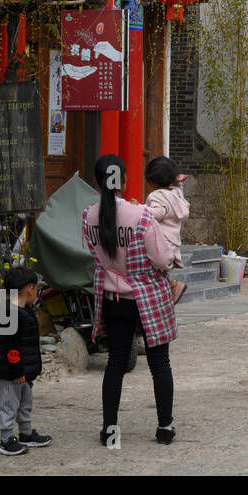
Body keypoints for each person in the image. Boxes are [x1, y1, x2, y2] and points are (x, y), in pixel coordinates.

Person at [82, 154, 178, 446]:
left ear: (97, 182)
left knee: (115, 362)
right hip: (147, 295)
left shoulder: (88, 215)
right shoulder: (142, 216)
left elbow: (92, 253)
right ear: (123, 180)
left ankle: (109, 429)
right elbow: (162, 259)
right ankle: (164, 428)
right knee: (159, 363)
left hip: (113, 298)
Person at [0, 267, 52, 455]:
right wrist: (16, 372)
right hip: (10, 374)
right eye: (37, 288)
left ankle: (26, 433)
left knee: (25, 403)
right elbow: (10, 348)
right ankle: (6, 439)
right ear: (30, 289)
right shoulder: (10, 313)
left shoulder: (23, 310)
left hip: (23, 372)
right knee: (9, 406)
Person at [145, 156, 189, 304]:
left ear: (151, 181)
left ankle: (173, 288)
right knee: (159, 274)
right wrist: (178, 185)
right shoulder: (175, 194)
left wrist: (138, 208)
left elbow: (158, 213)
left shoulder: (156, 196)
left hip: (161, 244)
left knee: (147, 270)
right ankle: (171, 288)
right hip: (173, 243)